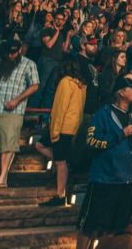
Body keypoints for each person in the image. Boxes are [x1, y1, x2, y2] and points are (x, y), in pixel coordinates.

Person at [78, 75, 132, 249]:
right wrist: (120, 134)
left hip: (126, 181)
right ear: (121, 92)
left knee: (115, 227)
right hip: (104, 180)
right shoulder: (103, 114)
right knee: (91, 225)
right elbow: (91, 141)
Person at [0, 38, 39, 188]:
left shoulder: (28, 64)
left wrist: (18, 100)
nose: (11, 55)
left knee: (8, 144)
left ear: (19, 50)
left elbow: (34, 86)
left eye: (14, 52)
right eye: (8, 52)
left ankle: (3, 176)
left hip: (14, 109)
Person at [41, 55, 88, 207]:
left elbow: (60, 108)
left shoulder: (65, 82)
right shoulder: (81, 85)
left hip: (62, 127)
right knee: (42, 147)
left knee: (61, 163)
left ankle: (60, 194)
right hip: (73, 127)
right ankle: (64, 177)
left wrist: (54, 131)